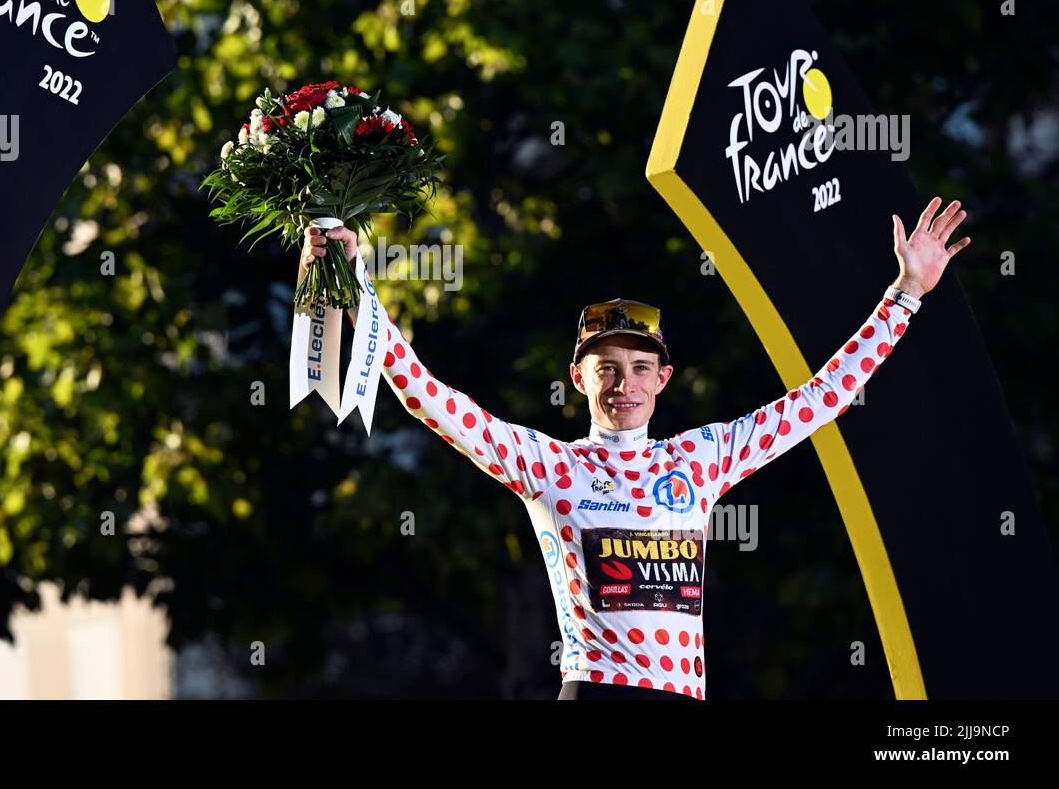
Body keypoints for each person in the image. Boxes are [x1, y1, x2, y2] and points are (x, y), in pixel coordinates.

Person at [300, 197, 970, 700]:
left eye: (641, 367)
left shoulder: (703, 457)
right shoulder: (549, 465)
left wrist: (906, 294)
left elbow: (822, 397)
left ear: (664, 378)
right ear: (578, 378)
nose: (624, 384)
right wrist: (357, 282)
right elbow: (423, 392)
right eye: (606, 367)